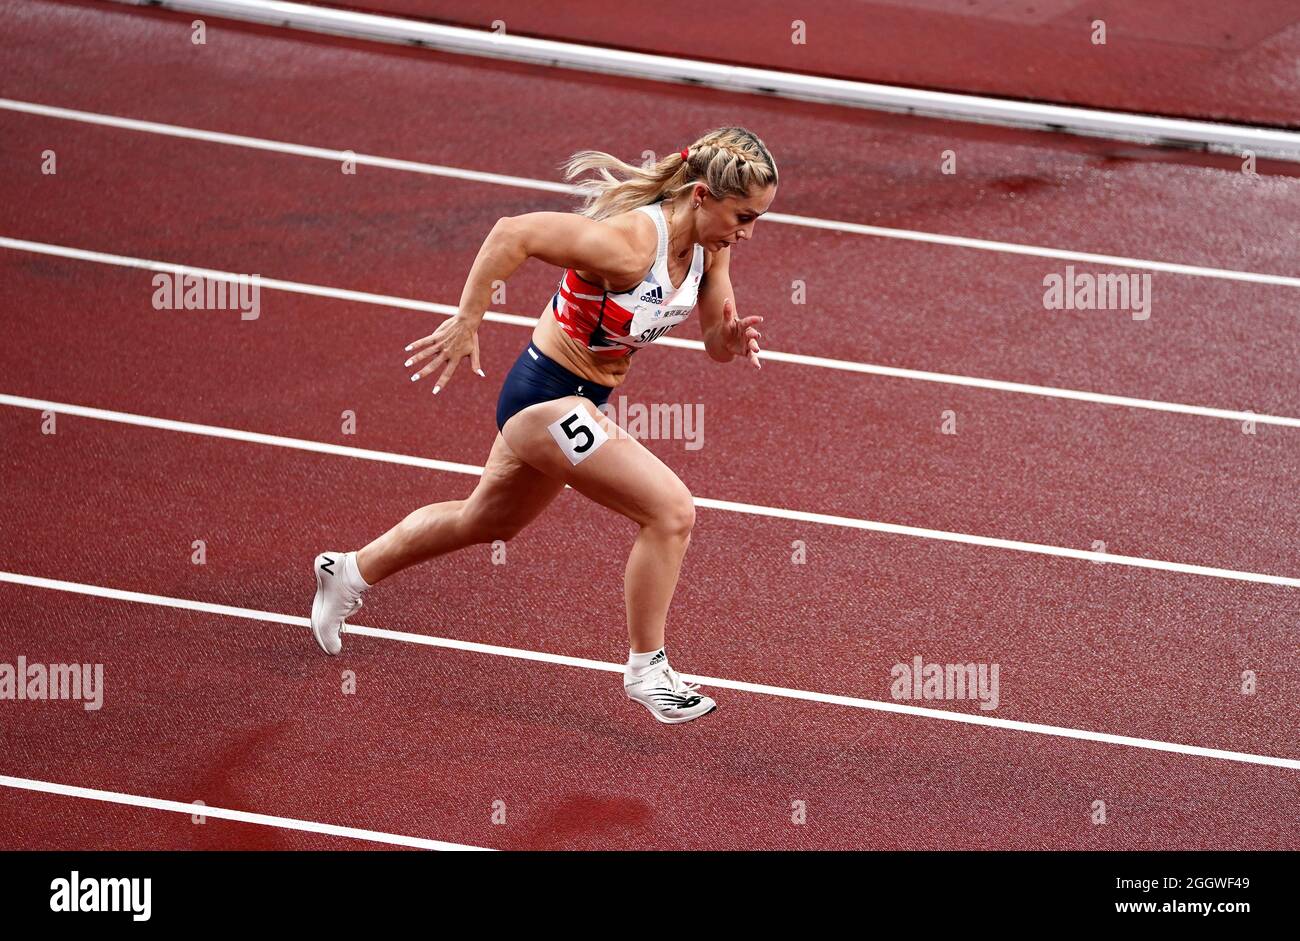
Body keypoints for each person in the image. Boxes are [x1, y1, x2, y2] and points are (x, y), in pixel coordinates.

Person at [309, 126, 777, 724]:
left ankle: (345, 572)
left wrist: (730, 340)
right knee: (671, 511)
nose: (749, 232)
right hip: (544, 397)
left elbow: (714, 338)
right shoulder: (630, 245)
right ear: (702, 195)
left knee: (486, 521)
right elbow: (516, 232)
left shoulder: (715, 249)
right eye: (744, 215)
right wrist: (466, 321)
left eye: (758, 219)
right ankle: (647, 669)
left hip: (587, 401)